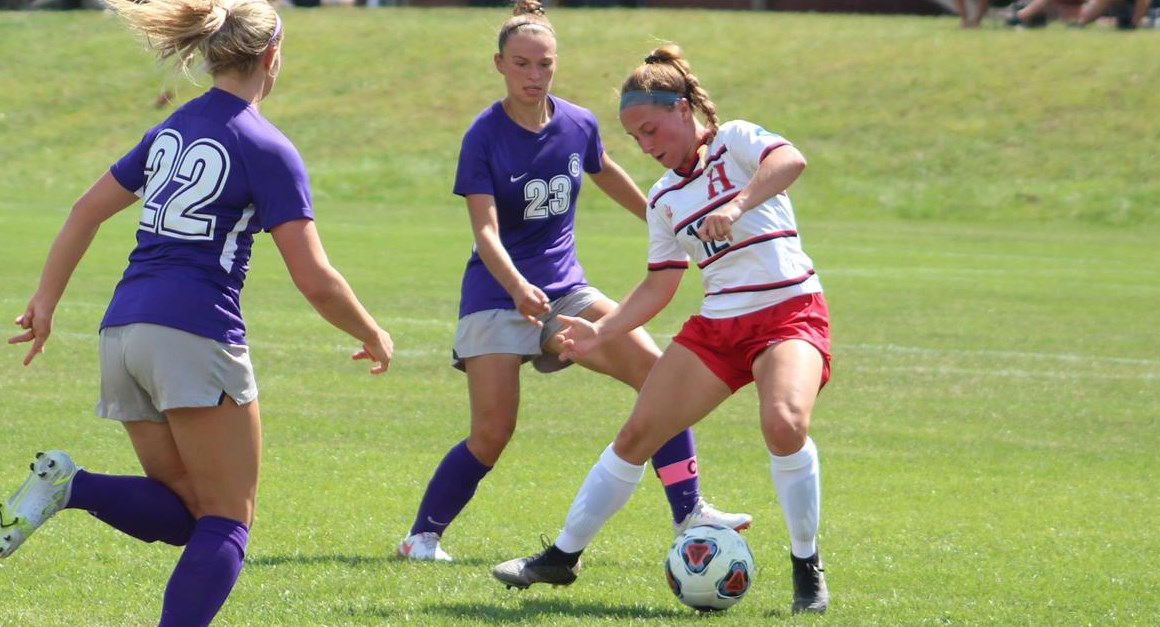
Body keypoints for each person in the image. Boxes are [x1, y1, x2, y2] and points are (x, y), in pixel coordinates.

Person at [2, 1, 394, 625]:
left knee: (188, 509)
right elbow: (315, 278)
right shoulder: (266, 145)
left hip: (122, 333)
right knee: (228, 521)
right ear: (272, 56)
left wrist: (46, 301)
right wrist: (370, 329)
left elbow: (84, 209)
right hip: (193, 332)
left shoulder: (175, 126)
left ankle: (69, 486)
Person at [395, 1, 750, 563]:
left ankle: (689, 511)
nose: (534, 76)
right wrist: (514, 285)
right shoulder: (484, 136)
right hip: (495, 295)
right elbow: (485, 232)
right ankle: (422, 537)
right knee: (492, 433)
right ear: (500, 65)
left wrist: (666, 225)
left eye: (545, 65)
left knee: (658, 379)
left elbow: (609, 174)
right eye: (522, 64)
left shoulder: (578, 123)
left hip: (567, 292)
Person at [492, 43, 833, 615]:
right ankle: (561, 557)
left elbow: (791, 162)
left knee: (784, 423)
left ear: (682, 108)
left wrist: (740, 203)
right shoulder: (663, 198)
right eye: (636, 140)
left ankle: (807, 567)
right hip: (719, 326)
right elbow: (659, 283)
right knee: (636, 435)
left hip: (789, 312)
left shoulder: (737, 139)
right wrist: (600, 333)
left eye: (652, 130)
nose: (647, 147)